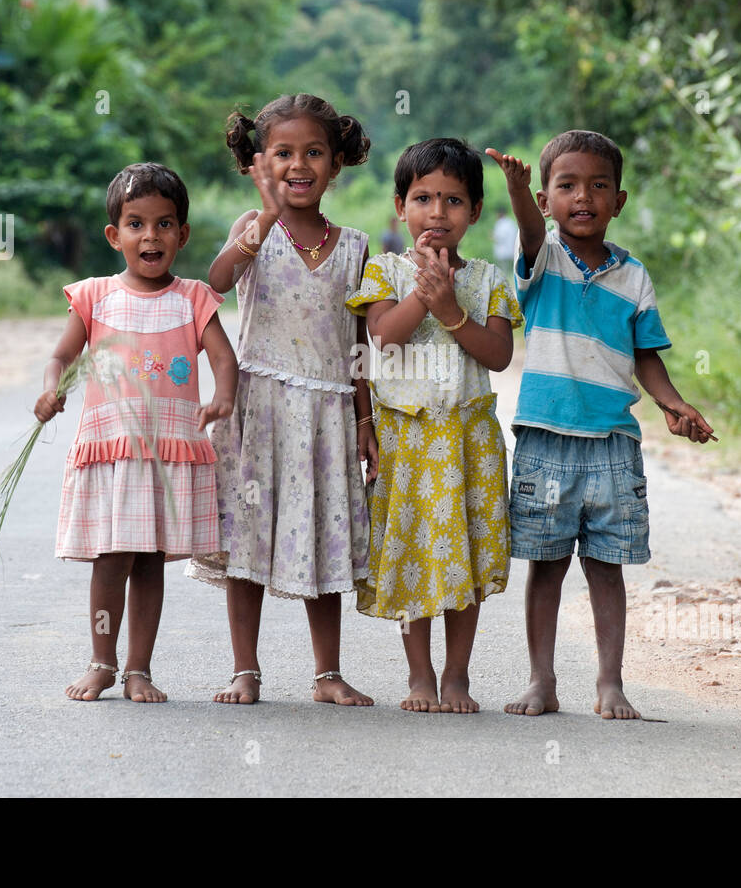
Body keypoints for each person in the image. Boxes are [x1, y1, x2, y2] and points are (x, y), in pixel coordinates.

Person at [486, 132, 714, 721]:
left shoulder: (634, 276)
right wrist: (514, 193)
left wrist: (672, 403)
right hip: (545, 441)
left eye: (598, 186)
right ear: (544, 199)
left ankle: (610, 683)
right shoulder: (541, 261)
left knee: (606, 567)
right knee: (546, 565)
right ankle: (542, 680)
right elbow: (531, 235)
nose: (582, 197)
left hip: (613, 444)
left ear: (620, 200)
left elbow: (646, 354)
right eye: (566, 186)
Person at [189, 94, 377, 707]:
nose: (299, 165)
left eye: (314, 152)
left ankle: (327, 674)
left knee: (323, 537)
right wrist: (263, 219)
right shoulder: (253, 229)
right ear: (258, 163)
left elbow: (358, 343)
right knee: (246, 545)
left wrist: (365, 417)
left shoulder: (353, 244)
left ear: (337, 162)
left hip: (327, 416)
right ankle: (246, 669)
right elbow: (214, 283)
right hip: (259, 410)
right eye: (283, 154)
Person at [36, 162, 238, 703]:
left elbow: (224, 358)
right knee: (111, 557)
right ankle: (101, 661)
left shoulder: (194, 298)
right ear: (115, 235)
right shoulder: (96, 296)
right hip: (115, 450)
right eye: (136, 224)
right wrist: (52, 389)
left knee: (151, 561)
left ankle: (138, 669)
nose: (151, 235)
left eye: (164, 224)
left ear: (182, 234)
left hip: (169, 450)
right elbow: (61, 354)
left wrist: (222, 396)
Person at [346, 138, 524, 714]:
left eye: (453, 201)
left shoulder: (489, 280)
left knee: (464, 560)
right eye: (423, 198)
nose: (438, 213)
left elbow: (497, 355)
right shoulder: (385, 272)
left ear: (474, 211)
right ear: (401, 206)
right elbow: (381, 340)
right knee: (412, 555)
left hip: (470, 441)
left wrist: (452, 310)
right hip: (408, 440)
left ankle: (457, 677)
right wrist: (426, 295)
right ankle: (419, 674)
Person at [492, 210, 517, 278]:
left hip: (503, 249)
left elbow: (499, 236)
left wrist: (493, 237)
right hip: (511, 248)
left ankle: (505, 277)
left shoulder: (500, 223)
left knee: (503, 267)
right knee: (511, 266)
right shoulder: (511, 222)